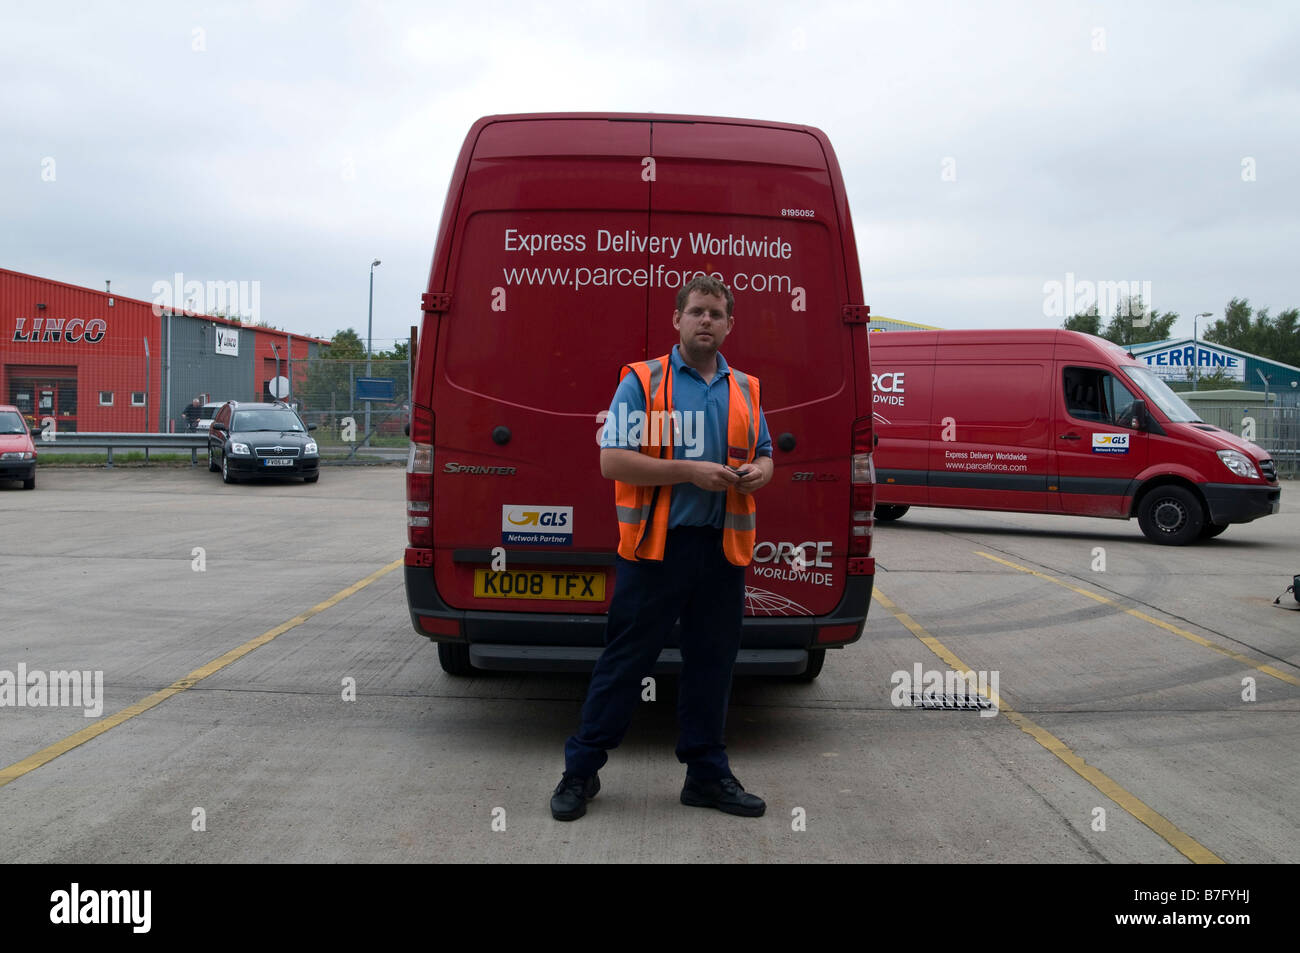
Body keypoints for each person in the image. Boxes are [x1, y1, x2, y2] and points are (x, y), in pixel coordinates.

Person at [551, 276, 774, 821]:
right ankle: (580, 773)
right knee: (625, 663)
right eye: (696, 311)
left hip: (722, 552)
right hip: (654, 552)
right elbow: (612, 460)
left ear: (728, 325)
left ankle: (706, 775)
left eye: (715, 314)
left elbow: (767, 455)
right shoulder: (643, 381)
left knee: (712, 665)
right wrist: (689, 473)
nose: (706, 321)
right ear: (677, 320)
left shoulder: (745, 388)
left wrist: (756, 474)